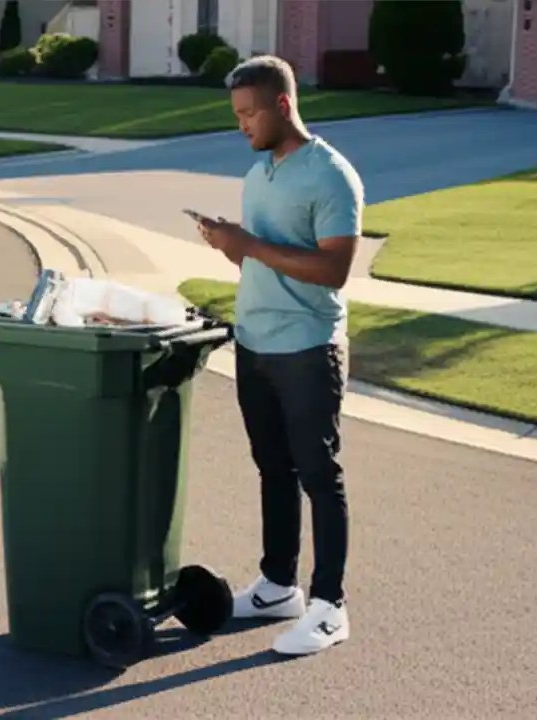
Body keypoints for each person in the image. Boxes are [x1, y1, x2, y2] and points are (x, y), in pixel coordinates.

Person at [195, 55, 363, 656]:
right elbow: (262, 259)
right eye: (236, 114)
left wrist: (250, 245)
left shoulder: (331, 176)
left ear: (283, 105)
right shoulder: (259, 173)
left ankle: (329, 606)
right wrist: (229, 246)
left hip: (307, 348)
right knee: (273, 469)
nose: (241, 125)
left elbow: (334, 270)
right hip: (256, 342)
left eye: (248, 113)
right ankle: (276, 585)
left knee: (320, 475)